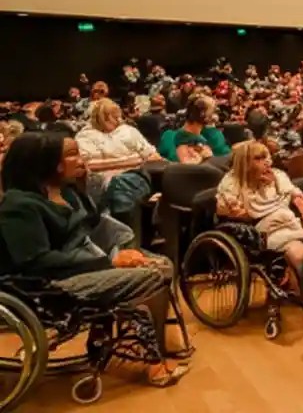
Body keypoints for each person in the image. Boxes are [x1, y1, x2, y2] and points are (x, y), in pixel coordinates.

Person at [0, 133, 189, 386]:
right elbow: (37, 261)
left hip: (78, 267)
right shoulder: (19, 205)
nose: (80, 159)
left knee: (159, 264)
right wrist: (109, 262)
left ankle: (133, 343)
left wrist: (118, 253)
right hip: (45, 286)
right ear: (44, 163)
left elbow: (93, 227)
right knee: (151, 274)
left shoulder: (67, 192)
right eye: (70, 155)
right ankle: (151, 364)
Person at [217, 140, 303, 275]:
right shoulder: (232, 183)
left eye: (267, 157)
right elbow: (232, 213)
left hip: (292, 224)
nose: (267, 163)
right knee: (300, 254)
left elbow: (298, 198)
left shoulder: (278, 176)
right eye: (258, 159)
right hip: (262, 234)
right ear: (244, 164)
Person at [75, 98, 161, 217]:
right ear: (102, 117)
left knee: (122, 184)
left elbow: (154, 156)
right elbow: (89, 164)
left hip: (135, 176)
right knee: (115, 185)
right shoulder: (85, 136)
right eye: (114, 117)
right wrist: (134, 160)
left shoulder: (128, 131)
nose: (119, 120)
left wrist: (119, 163)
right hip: (100, 182)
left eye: (119, 116)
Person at [157, 95, 230, 163]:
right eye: (212, 112)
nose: (215, 116)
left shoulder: (200, 137)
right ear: (203, 114)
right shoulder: (185, 139)